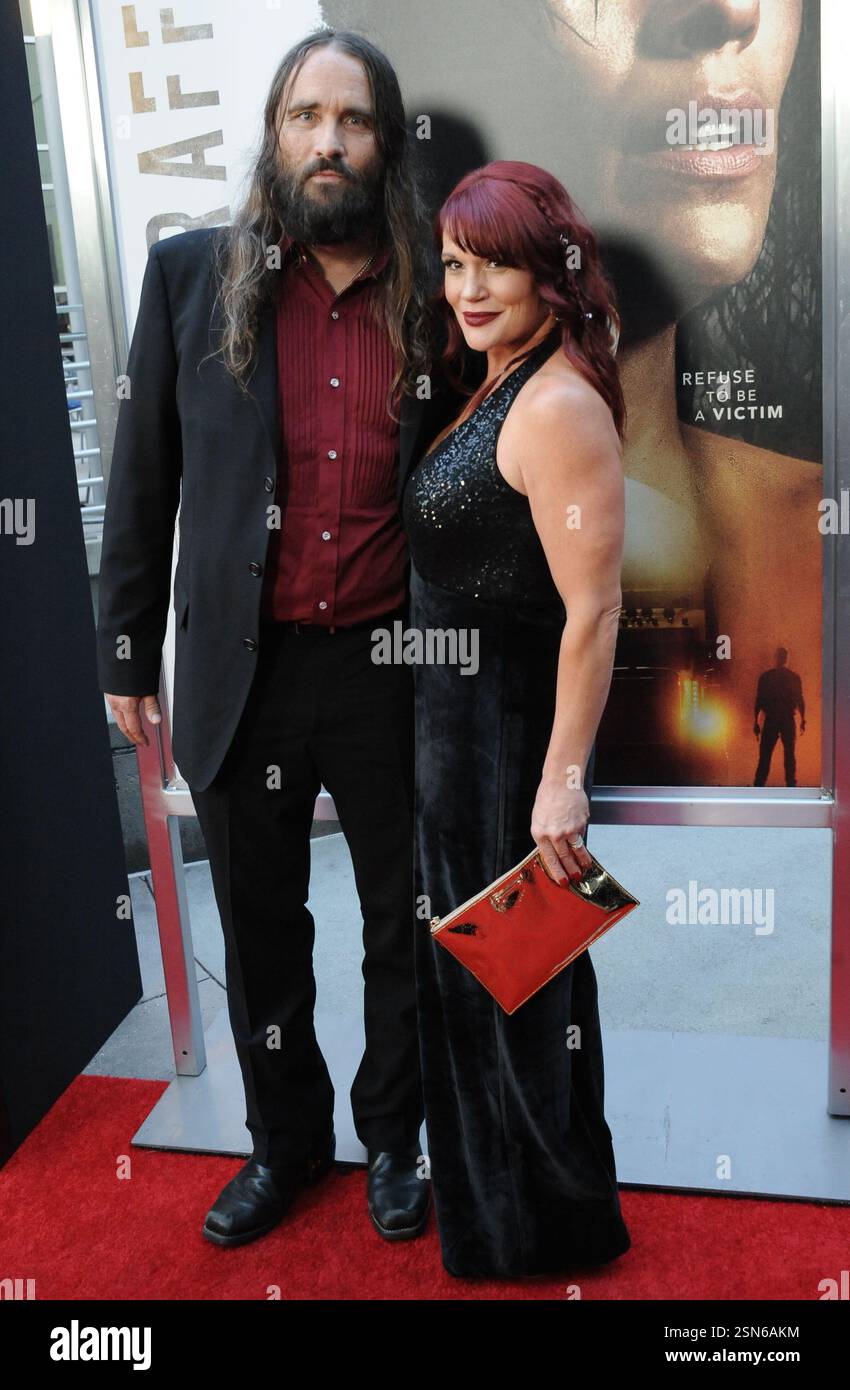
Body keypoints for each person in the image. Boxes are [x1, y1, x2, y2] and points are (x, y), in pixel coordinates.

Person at [96, 29, 459, 1249]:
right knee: (257, 929)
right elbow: (143, 478)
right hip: (242, 668)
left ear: (385, 138)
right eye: (304, 116)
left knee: (405, 920)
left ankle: (396, 1141)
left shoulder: (440, 290)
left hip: (391, 666)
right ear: (274, 132)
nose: (326, 141)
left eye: (351, 120)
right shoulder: (192, 278)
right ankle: (284, 1144)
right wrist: (121, 653)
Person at [401, 161, 631, 1278]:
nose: (469, 285)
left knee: (522, 992)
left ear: (551, 267)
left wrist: (560, 782)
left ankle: (550, 1226)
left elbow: (595, 611)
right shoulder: (500, 382)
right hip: (456, 750)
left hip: (505, 756)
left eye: (493, 259)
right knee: (480, 986)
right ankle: (500, 1220)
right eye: (452, 262)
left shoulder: (557, 404)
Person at [753, 646, 805, 787]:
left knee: (765, 756)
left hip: (771, 719)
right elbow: (800, 700)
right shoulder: (794, 677)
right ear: (786, 659)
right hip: (787, 719)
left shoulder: (766, 677)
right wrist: (803, 720)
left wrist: (756, 723)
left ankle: (759, 785)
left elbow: (759, 701)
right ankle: (790, 786)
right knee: (789, 755)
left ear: (775, 658)